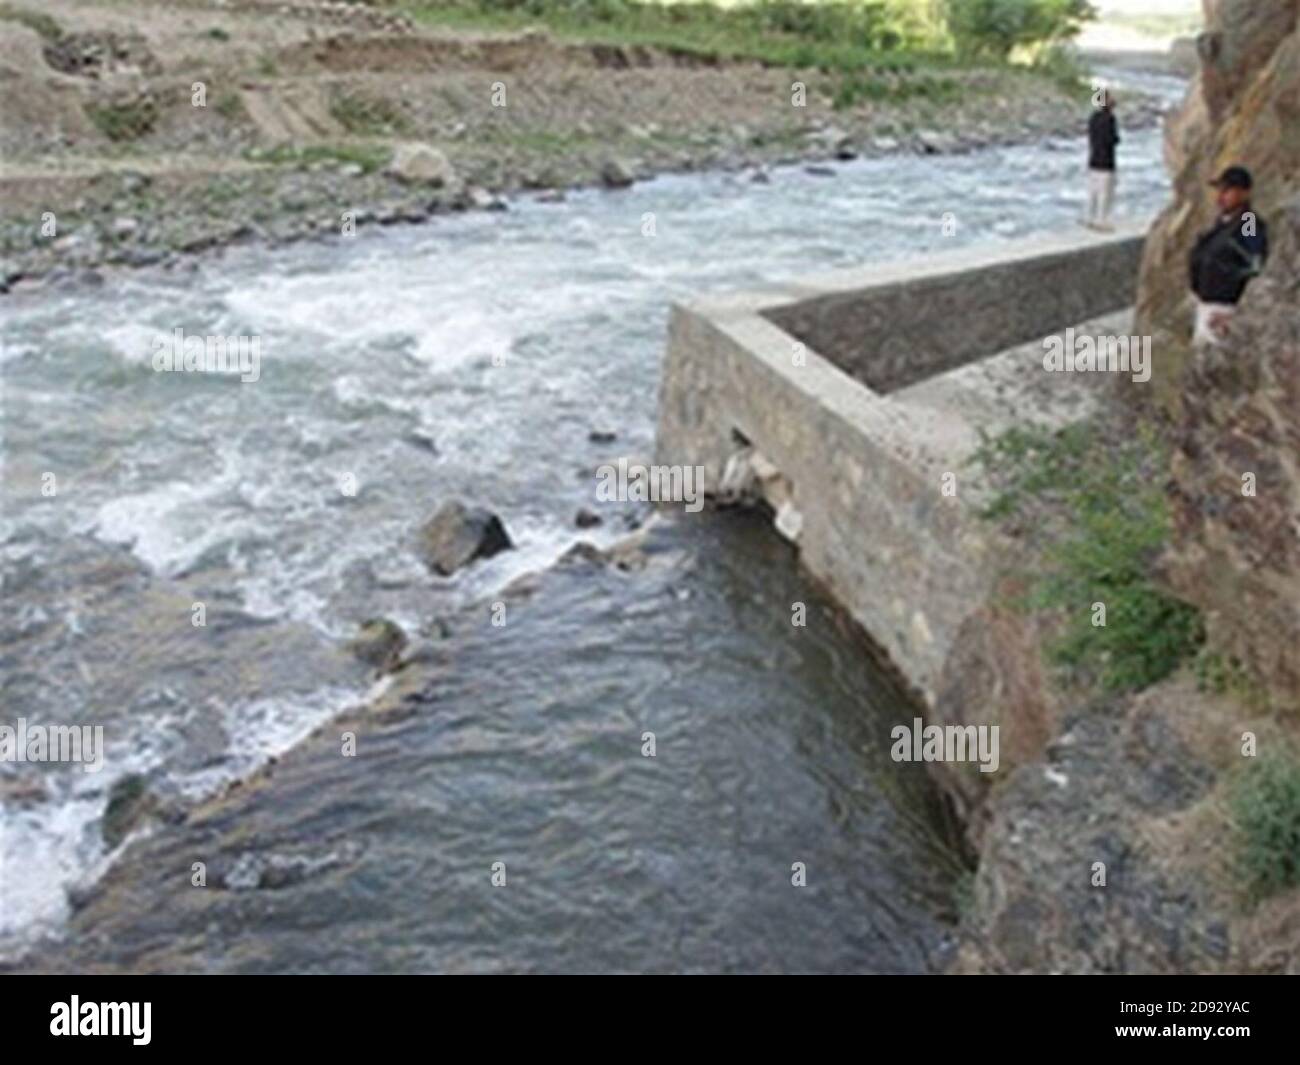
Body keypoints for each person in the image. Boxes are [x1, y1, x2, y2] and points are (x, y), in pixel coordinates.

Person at [1188, 165, 1269, 346]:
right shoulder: (1223, 223)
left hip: (1225, 310)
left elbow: (1255, 266)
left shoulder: (1249, 222)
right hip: (1206, 306)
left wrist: (1236, 314)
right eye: (1219, 190)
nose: (1220, 197)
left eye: (1227, 191)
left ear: (1245, 193)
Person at [1085, 89, 1119, 230]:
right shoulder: (1110, 119)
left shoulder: (1093, 118)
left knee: (1093, 191)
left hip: (1093, 159)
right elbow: (1112, 139)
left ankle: (1090, 217)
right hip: (1107, 161)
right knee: (1106, 193)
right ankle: (1102, 220)